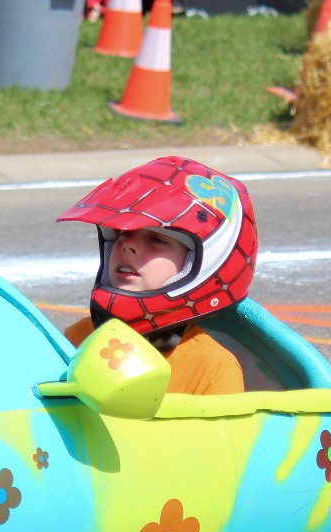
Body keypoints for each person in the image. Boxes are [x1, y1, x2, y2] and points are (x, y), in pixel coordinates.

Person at [58, 155, 260, 396]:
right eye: (122, 233)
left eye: (156, 239)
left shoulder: (211, 367)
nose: (127, 245)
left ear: (203, 263)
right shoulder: (76, 339)